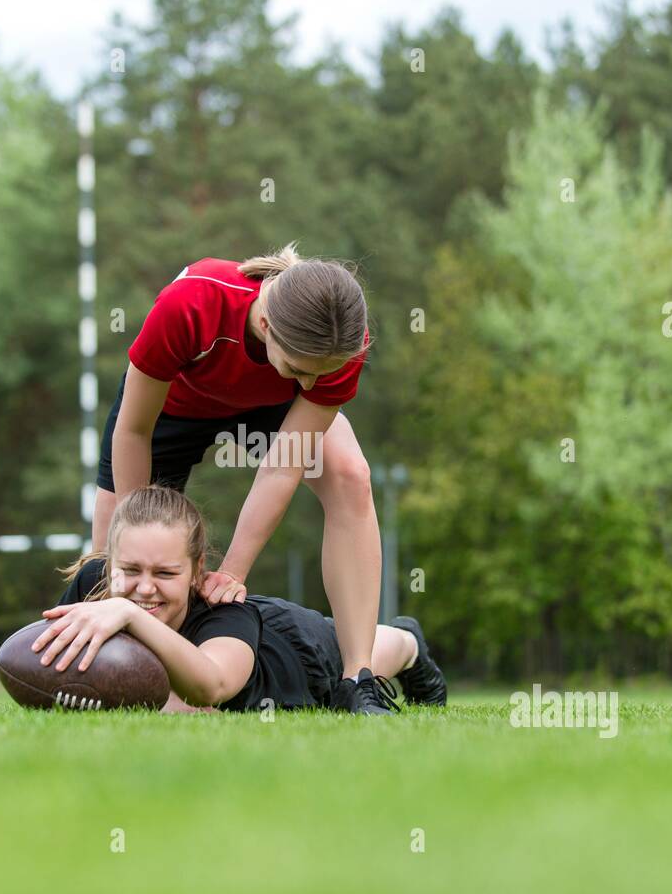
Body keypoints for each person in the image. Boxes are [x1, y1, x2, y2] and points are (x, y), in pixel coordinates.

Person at [94, 244, 386, 712]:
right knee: (110, 563)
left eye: (321, 375)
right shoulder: (191, 303)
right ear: (267, 325)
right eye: (300, 371)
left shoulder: (336, 344)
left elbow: (284, 461)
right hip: (172, 408)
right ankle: (124, 671)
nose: (311, 385)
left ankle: (359, 679)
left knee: (351, 475)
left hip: (269, 408)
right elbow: (133, 429)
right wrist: (132, 539)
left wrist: (232, 571)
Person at [36, 486, 447, 715]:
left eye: (165, 573)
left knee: (376, 648)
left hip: (293, 650)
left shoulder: (226, 612)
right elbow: (42, 660)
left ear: (197, 572)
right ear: (109, 563)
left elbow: (210, 689)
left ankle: (411, 641)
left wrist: (126, 612)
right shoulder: (95, 583)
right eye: (130, 570)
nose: (145, 588)